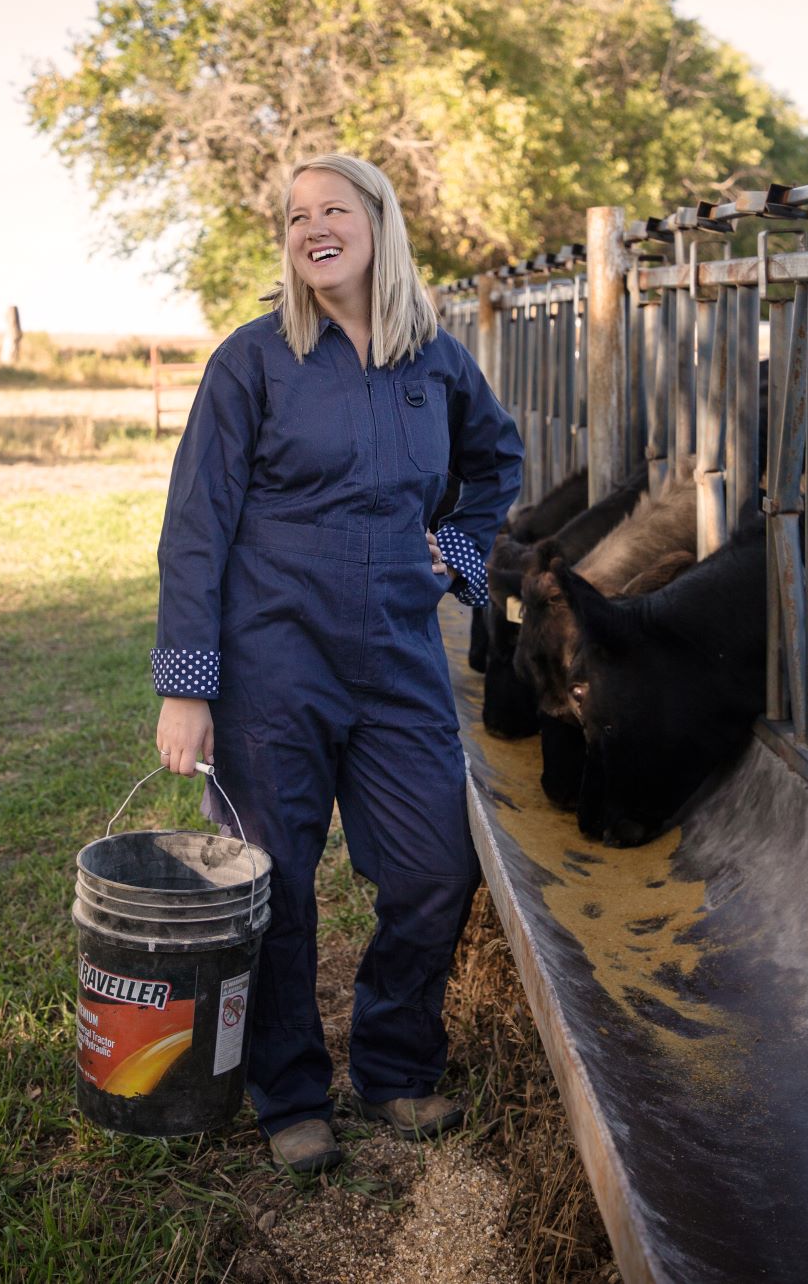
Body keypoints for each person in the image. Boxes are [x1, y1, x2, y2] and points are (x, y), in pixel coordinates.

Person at [153, 153, 522, 1174]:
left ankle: (396, 1066)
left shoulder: (434, 361)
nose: (313, 226)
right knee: (276, 881)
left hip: (398, 653)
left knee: (434, 868)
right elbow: (195, 526)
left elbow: (496, 462)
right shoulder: (254, 360)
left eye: (334, 209)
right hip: (273, 658)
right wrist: (186, 685)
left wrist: (456, 555)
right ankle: (289, 1095)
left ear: (379, 223)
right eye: (296, 215)